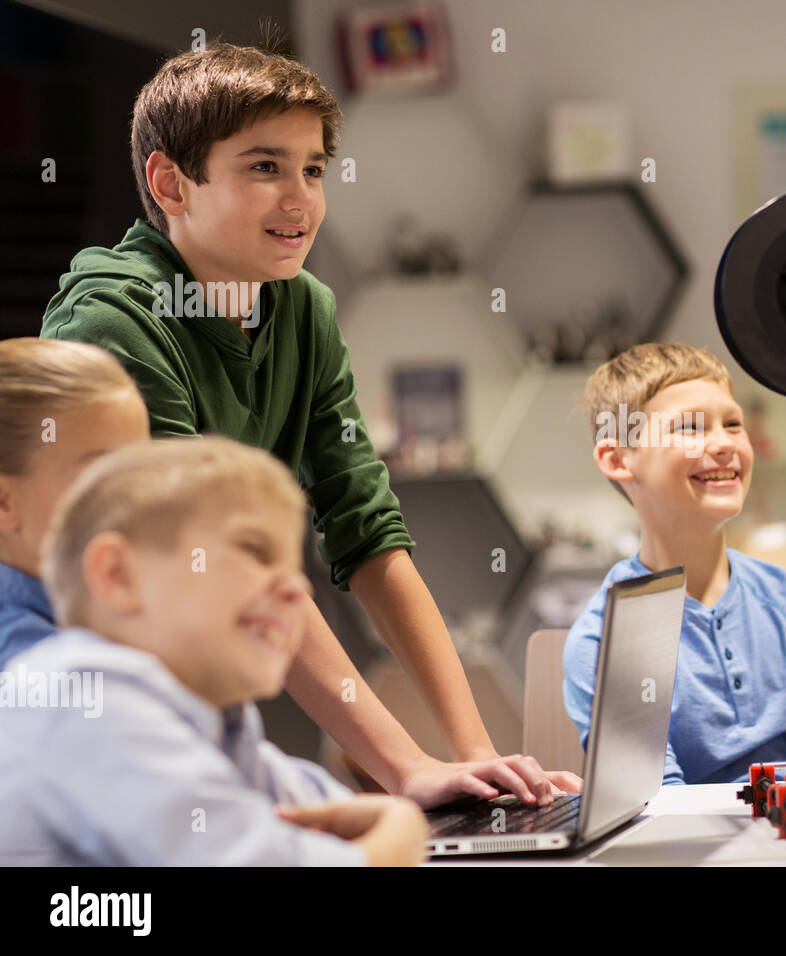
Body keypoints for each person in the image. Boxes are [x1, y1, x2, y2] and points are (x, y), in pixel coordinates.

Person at [40, 41, 578, 805]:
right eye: (265, 167)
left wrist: (477, 755)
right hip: (75, 695)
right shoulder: (115, 319)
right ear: (170, 182)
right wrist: (406, 767)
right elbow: (223, 559)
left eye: (314, 169)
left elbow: (367, 533)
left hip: (190, 684)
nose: (301, 199)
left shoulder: (302, 308)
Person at [0, 436, 427, 865]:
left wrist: (384, 827)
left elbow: (328, 813)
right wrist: (398, 836)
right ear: (118, 576)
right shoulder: (84, 697)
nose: (298, 588)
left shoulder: (217, 721)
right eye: (254, 550)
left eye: (294, 567)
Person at [563, 343, 786, 785]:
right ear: (617, 459)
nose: (724, 444)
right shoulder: (604, 643)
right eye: (690, 428)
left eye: (733, 425)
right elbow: (659, 808)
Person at [0, 338, 151, 668]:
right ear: (4, 504)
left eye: (137, 469)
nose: (136, 497)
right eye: (100, 475)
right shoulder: (36, 666)